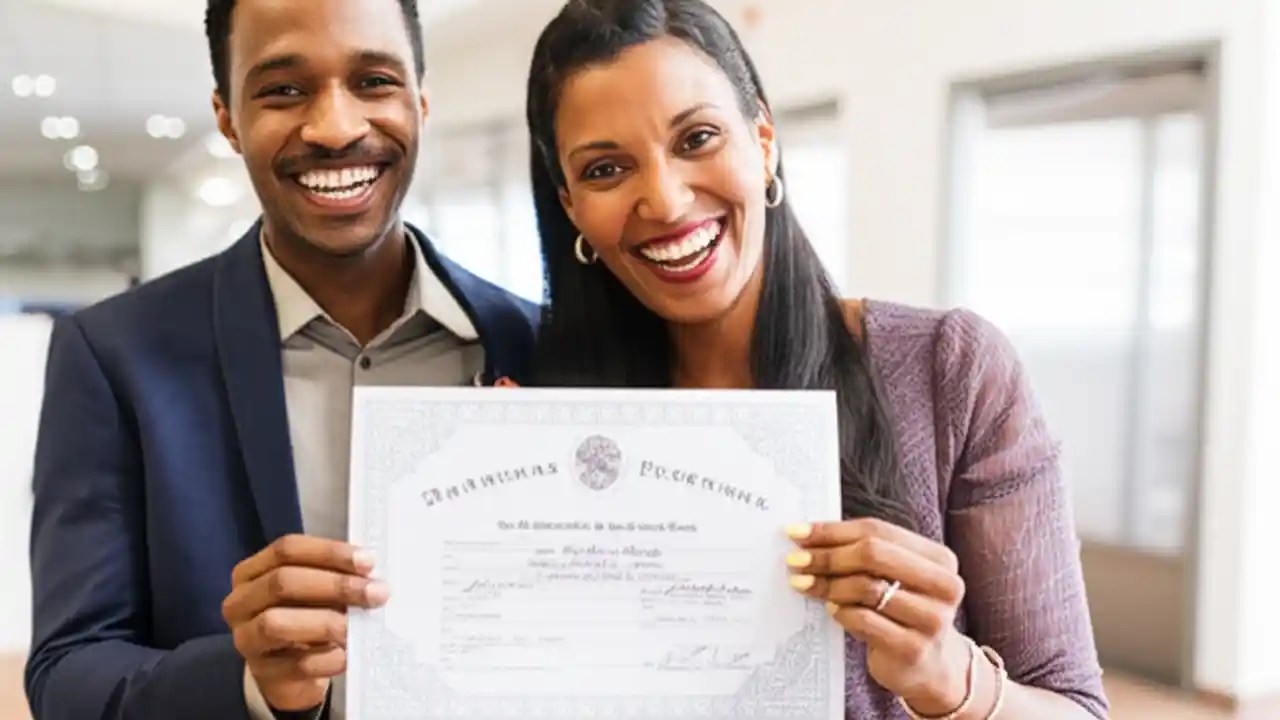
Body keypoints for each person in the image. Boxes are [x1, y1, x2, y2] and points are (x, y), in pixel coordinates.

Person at [523, 1, 1108, 718]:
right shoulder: (552, 422)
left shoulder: (949, 372)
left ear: (763, 141)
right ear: (572, 206)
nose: (667, 201)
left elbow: (1078, 710)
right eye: (607, 168)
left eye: (698, 137)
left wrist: (946, 675)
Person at [24, 0, 536, 718]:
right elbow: (66, 674)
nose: (335, 127)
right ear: (228, 116)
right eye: (284, 91)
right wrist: (248, 683)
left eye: (374, 81)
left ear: (420, 97)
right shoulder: (115, 358)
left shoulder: (539, 346)